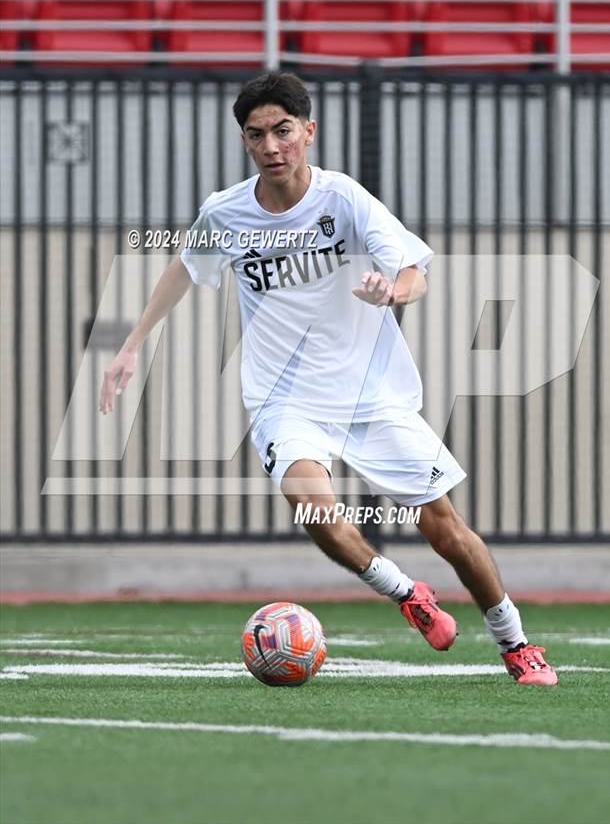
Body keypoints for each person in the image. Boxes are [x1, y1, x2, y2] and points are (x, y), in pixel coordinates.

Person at [100, 71, 557, 686]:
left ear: (308, 132)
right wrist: (132, 344)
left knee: (445, 530)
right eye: (257, 134)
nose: (271, 146)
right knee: (315, 511)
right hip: (283, 398)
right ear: (245, 141)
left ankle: (516, 643)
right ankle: (406, 593)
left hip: (372, 394)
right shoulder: (225, 211)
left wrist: (390, 289)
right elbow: (185, 268)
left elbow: (415, 272)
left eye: (283, 130)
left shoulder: (343, 199)